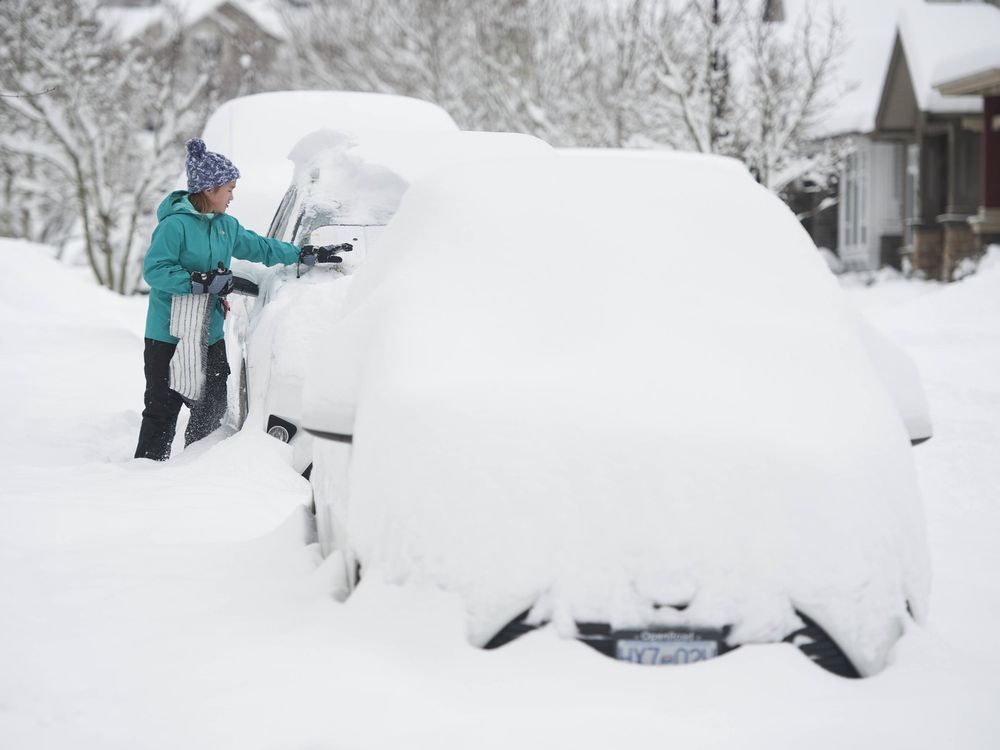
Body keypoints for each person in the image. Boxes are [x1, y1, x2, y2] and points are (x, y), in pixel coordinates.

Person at [134, 138, 333, 461]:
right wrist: (197, 282)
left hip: (208, 333)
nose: (232, 196)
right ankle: (146, 470)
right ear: (209, 190)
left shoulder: (226, 226)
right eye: (229, 189)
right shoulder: (174, 226)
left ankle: (195, 465)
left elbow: (261, 247)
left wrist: (302, 253)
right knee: (162, 409)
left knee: (211, 408)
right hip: (167, 335)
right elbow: (155, 271)